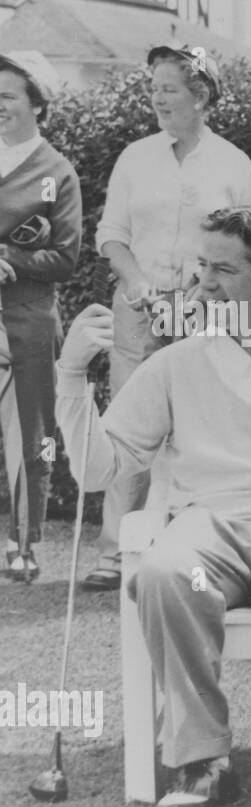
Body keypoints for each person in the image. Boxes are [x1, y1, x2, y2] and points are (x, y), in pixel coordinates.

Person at [55, 207, 251, 807]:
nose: (204, 284)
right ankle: (203, 762)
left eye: (222, 269)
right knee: (166, 570)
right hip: (205, 530)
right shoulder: (175, 363)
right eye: (202, 268)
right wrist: (71, 374)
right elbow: (97, 471)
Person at [85, 44, 251, 592]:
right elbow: (110, 234)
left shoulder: (234, 165)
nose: (158, 98)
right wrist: (138, 283)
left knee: (201, 425)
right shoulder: (136, 157)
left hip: (207, 312)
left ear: (201, 94)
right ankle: (115, 549)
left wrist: (197, 292)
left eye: (169, 88)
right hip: (136, 310)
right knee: (128, 424)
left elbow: (247, 245)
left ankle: (191, 546)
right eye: (154, 88)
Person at [0, 51, 82, 582]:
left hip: (26, 318)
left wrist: (10, 260)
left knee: (33, 434)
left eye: (7, 97)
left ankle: (23, 542)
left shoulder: (57, 172)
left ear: (37, 104)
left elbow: (67, 257)